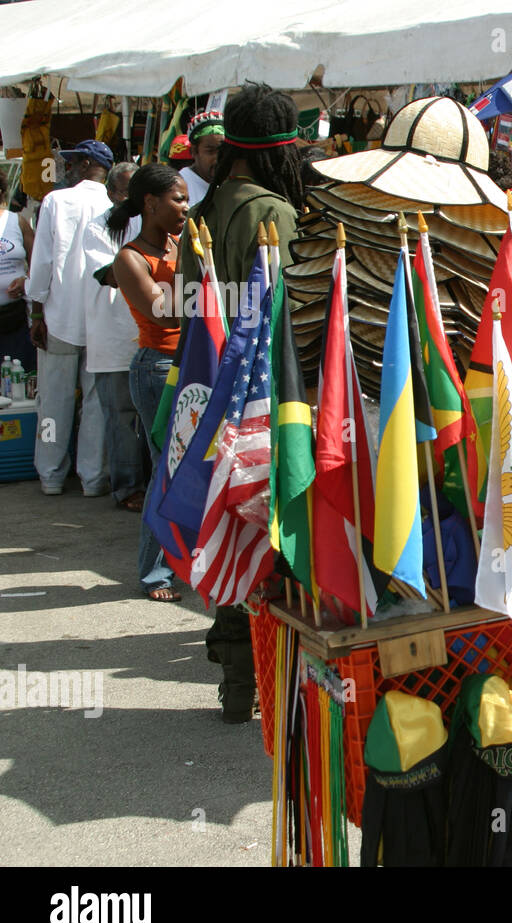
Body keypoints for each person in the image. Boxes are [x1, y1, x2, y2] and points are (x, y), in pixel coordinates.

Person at [176, 83, 299, 724]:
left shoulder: (203, 211)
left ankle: (235, 679)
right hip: (264, 397)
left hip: (212, 397)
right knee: (271, 534)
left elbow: (190, 309)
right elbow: (290, 316)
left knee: (225, 521)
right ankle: (277, 677)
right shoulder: (273, 213)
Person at [111, 164, 187, 602]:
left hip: (188, 363)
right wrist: (191, 268)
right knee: (165, 471)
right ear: (150, 204)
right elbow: (167, 313)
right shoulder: (130, 259)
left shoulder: (181, 246)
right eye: (176, 199)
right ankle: (155, 574)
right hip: (157, 368)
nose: (184, 206)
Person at [26, 139, 115, 496]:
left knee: (54, 400)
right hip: (101, 318)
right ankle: (93, 478)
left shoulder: (56, 201)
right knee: (95, 403)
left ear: (81, 164)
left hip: (60, 316)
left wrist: (36, 309)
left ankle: (50, 474)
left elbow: (43, 261)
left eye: (72, 161)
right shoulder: (115, 205)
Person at [83, 161, 146, 512]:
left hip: (152, 335)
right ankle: (127, 489)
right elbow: (109, 274)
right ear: (111, 193)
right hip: (114, 336)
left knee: (153, 415)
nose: (131, 198)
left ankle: (152, 485)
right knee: (121, 417)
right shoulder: (100, 226)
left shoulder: (156, 220)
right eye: (125, 191)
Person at [0, 167, 37, 371]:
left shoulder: (17, 222)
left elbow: (38, 265)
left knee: (16, 379)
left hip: (14, 319)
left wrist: (25, 280)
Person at [179, 109, 224, 208]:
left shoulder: (228, 186)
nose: (217, 159)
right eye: (210, 151)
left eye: (222, 151)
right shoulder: (178, 187)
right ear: (194, 151)